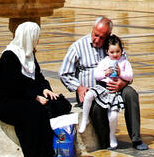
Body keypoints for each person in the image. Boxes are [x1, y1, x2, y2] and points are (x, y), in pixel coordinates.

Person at [0, 20, 73, 157]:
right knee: (34, 111)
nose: (38, 40)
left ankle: (55, 151)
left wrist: (45, 89)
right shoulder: (10, 56)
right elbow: (12, 87)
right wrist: (34, 97)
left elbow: (39, 77)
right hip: (7, 102)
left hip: (27, 96)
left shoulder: (28, 55)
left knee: (59, 103)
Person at [60, 15, 148, 149]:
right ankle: (105, 140)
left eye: (102, 37)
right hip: (91, 90)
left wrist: (123, 83)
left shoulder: (114, 45)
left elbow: (126, 68)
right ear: (92, 29)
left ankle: (136, 139)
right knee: (97, 107)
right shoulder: (78, 47)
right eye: (96, 35)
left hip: (114, 87)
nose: (97, 40)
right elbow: (64, 73)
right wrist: (78, 87)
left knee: (131, 94)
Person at [79, 35, 133, 150]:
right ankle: (84, 119)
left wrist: (120, 73)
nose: (115, 55)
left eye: (117, 51)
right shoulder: (105, 62)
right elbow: (96, 75)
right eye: (112, 52)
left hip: (114, 91)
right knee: (89, 95)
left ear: (121, 51)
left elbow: (130, 76)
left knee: (113, 115)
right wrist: (105, 73)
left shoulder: (124, 62)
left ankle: (112, 135)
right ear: (107, 52)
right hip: (103, 87)